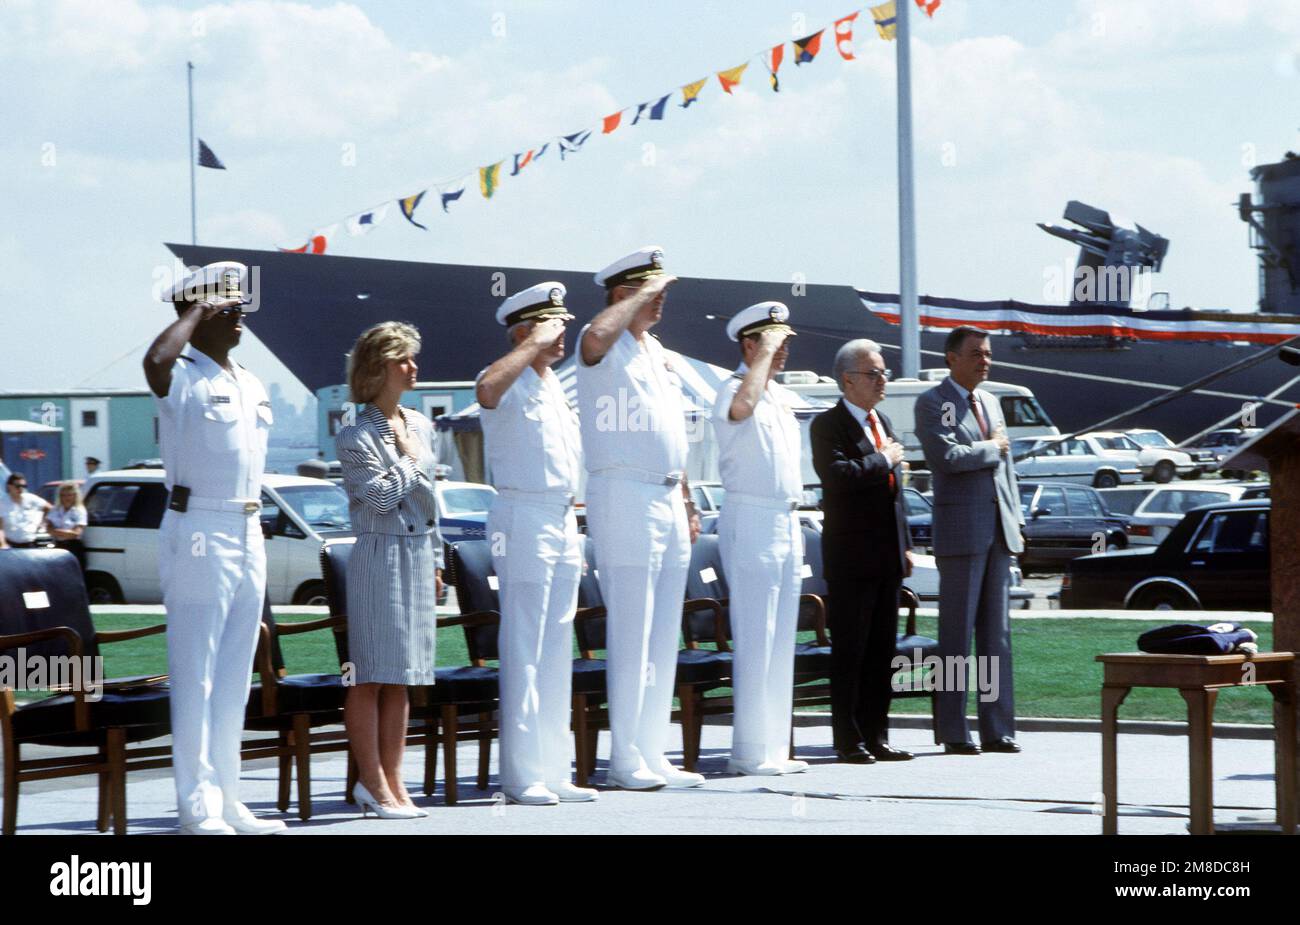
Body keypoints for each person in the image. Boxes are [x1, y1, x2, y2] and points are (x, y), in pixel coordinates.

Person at [143, 260, 286, 834]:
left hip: (248, 528)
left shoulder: (247, 380)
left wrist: (213, 303)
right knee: (196, 670)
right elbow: (152, 362)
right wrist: (200, 306)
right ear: (196, 313)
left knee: (234, 673)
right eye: (229, 309)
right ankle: (195, 805)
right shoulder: (182, 374)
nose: (240, 320)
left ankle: (229, 797)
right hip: (197, 526)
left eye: (240, 309)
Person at [576, 245, 704, 791]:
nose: (662, 303)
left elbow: (671, 431)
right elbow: (593, 340)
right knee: (631, 626)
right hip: (622, 491)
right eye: (653, 293)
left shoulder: (656, 352)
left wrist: (689, 497)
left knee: (660, 630)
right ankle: (624, 757)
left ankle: (652, 751)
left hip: (667, 494)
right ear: (622, 295)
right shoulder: (602, 344)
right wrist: (635, 300)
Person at [477, 282, 597, 805]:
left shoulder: (552, 386)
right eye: (553, 325)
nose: (563, 332)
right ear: (524, 329)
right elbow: (485, 390)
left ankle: (553, 766)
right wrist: (529, 345)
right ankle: (522, 773)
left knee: (554, 646)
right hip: (521, 513)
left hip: (561, 517)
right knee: (523, 644)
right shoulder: (507, 378)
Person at [335, 321, 443, 820]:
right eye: (403, 359)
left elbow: (432, 500)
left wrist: (438, 561)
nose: (413, 367)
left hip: (417, 553)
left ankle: (396, 780)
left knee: (403, 675)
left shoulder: (422, 423)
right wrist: (407, 459)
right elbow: (377, 498)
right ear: (379, 368)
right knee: (370, 675)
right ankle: (372, 784)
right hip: (379, 552)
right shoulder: (355, 433)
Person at [914, 325, 1024, 755]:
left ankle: (998, 728)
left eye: (988, 354)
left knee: (996, 637)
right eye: (976, 354)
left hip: (998, 532)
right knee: (956, 635)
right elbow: (946, 457)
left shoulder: (991, 402)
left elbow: (1007, 470)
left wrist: (1017, 525)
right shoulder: (934, 403)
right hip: (961, 534)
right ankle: (955, 730)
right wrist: (992, 447)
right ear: (951, 358)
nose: (985, 361)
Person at [711, 301, 808, 776]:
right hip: (750, 518)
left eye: (786, 342)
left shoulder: (779, 397)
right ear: (749, 344)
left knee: (780, 638)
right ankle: (749, 751)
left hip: (787, 520)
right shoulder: (734, 389)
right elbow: (739, 408)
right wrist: (761, 360)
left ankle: (774, 747)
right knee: (755, 634)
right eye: (774, 342)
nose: (784, 349)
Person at [811, 339, 915, 764]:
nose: (882, 381)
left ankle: (877, 735)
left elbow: (897, 495)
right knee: (851, 651)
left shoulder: (882, 420)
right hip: (852, 556)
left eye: (884, 373)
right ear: (848, 379)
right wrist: (883, 458)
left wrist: (905, 544)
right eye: (874, 374)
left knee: (881, 651)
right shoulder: (827, 426)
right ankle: (848, 738)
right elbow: (838, 477)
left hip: (887, 554)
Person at [45, 482, 88, 573]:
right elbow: (48, 528)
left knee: (74, 576)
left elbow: (76, 534)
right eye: (63, 495)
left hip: (74, 547)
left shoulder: (79, 511)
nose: (66, 498)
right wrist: (66, 533)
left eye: (69, 495)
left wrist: (55, 531)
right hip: (58, 546)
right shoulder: (55, 510)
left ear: (75, 495)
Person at [2, 473, 51, 548]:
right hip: (11, 545)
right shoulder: (2, 503)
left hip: (31, 543)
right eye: (18, 486)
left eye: (24, 486)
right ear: (9, 486)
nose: (21, 489)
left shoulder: (31, 499)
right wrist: (3, 544)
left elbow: (49, 508)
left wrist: (43, 522)